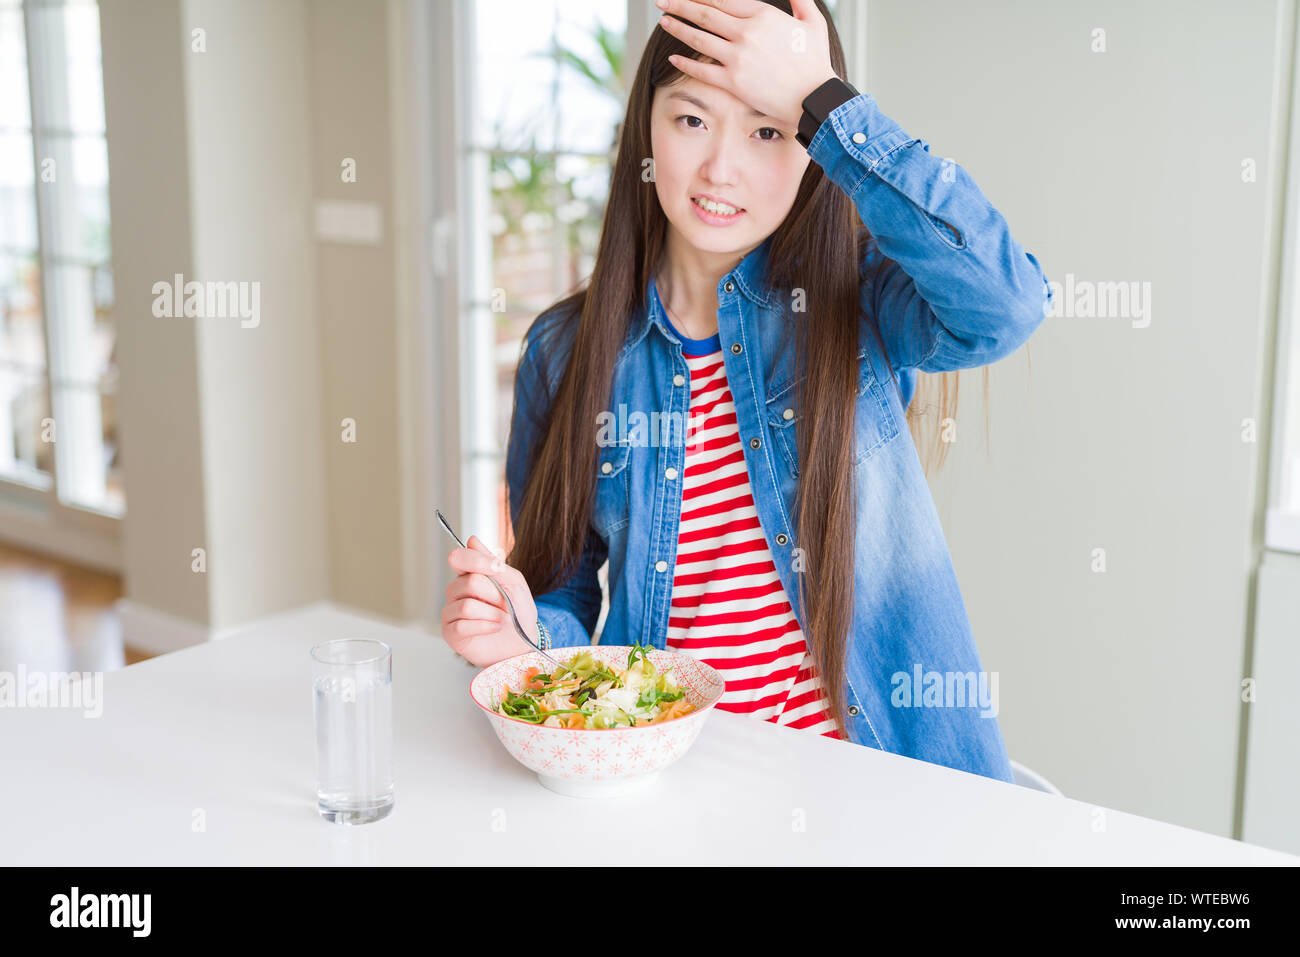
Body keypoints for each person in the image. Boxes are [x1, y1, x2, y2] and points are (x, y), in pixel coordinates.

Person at [441, 0, 1052, 783]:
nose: (720, 169)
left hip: (880, 794)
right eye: (692, 119)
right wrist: (520, 633)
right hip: (675, 789)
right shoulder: (565, 354)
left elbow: (1007, 303)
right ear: (647, 129)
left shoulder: (855, 303)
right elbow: (561, 596)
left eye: (769, 130)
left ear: (811, 149)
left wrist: (824, 102)